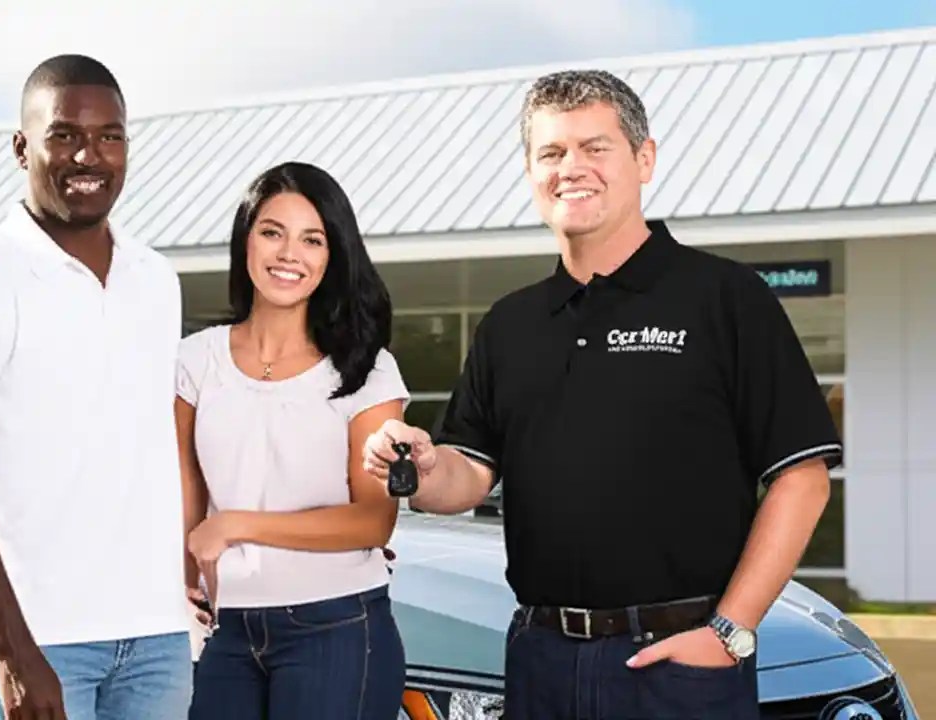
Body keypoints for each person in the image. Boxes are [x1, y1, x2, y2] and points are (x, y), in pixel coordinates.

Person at [361, 69, 841, 720]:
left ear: (644, 159)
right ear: (531, 171)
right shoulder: (510, 324)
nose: (571, 168)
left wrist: (730, 632)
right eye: (551, 152)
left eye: (595, 147)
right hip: (540, 663)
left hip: (681, 666)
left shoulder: (725, 299)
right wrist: (423, 468)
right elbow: (468, 475)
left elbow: (802, 478)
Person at [0, 54, 191, 720]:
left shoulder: (157, 281)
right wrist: (13, 649)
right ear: (21, 147)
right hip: (41, 639)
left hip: (158, 639)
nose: (89, 155)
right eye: (64, 134)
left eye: (109, 136)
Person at [176, 161, 409, 719]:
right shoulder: (195, 360)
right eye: (272, 232)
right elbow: (184, 491)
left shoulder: (366, 370)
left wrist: (236, 525)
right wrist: (182, 584)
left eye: (312, 239)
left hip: (337, 627)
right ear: (246, 239)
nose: (288, 254)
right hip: (224, 633)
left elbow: (372, 522)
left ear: (333, 256)